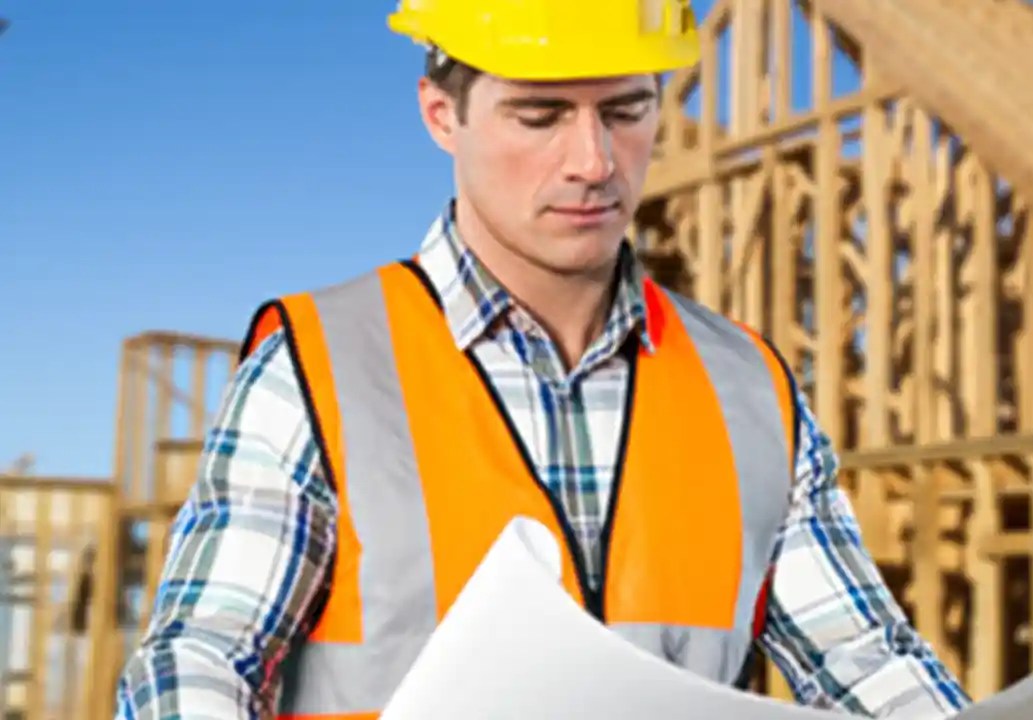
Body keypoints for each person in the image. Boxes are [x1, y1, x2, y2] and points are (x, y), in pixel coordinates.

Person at [115, 1, 970, 717]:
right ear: (441, 114)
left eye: (626, 112)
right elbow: (200, 657)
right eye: (542, 115)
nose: (594, 163)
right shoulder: (320, 369)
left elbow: (863, 661)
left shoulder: (749, 388)